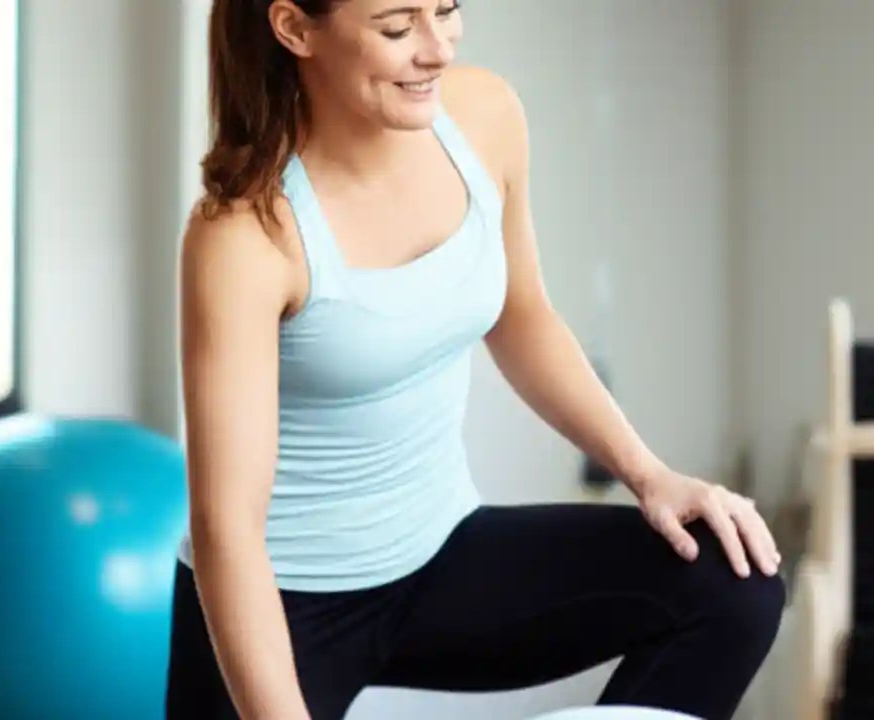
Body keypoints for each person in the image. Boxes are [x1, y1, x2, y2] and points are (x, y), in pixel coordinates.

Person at [165, 1, 786, 719]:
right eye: (398, 27)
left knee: (732, 584)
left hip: (440, 553)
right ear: (296, 29)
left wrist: (649, 476)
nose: (437, 48)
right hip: (279, 600)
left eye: (447, 8)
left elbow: (523, 315)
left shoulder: (483, 119)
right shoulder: (244, 236)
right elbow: (228, 527)